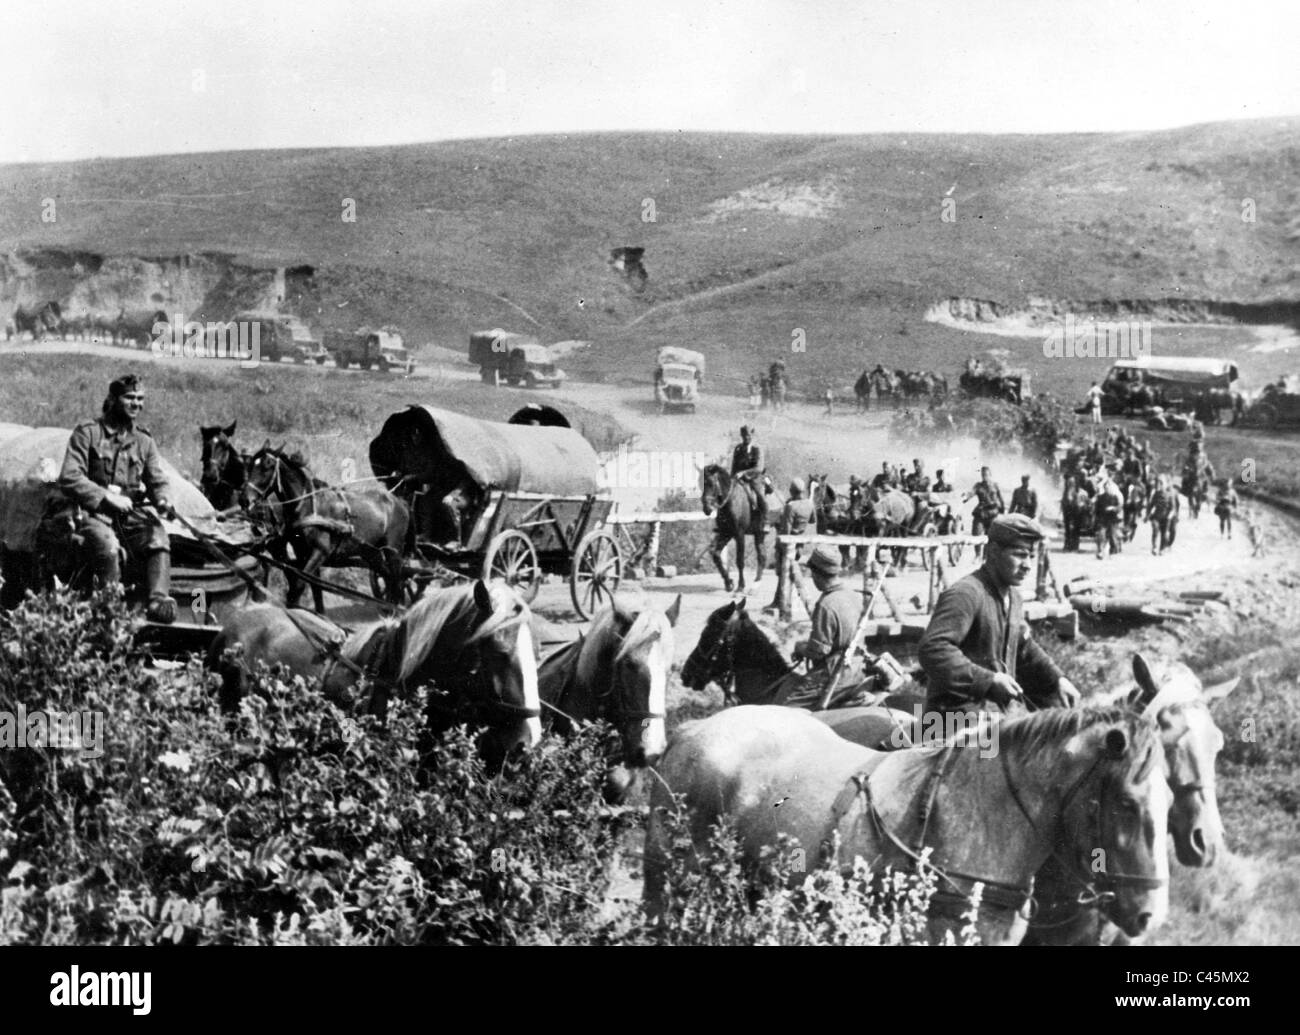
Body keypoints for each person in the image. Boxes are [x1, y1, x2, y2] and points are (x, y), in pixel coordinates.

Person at [919, 514, 1080, 718]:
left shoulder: (1013, 597)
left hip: (995, 718)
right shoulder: (966, 594)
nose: (1028, 565)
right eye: (1020, 555)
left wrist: (1058, 679)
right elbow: (933, 649)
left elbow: (1023, 646)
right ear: (994, 552)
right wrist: (988, 680)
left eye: (1031, 556)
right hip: (952, 722)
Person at [56, 373, 177, 623]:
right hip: (90, 515)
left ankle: (158, 600)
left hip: (127, 517)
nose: (136, 404)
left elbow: (157, 479)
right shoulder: (88, 433)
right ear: (113, 399)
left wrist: (163, 500)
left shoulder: (144, 441)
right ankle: (108, 608)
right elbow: (69, 476)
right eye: (129, 398)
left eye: (140, 399)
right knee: (108, 547)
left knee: (157, 535)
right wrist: (105, 497)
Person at [773, 544, 868, 709]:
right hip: (857, 666)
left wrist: (801, 648)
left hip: (835, 673)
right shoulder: (853, 595)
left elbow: (819, 652)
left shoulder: (826, 604)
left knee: (785, 708)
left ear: (817, 573)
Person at [765, 478, 817, 619]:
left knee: (785, 573)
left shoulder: (791, 506)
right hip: (800, 545)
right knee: (786, 574)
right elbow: (812, 520)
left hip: (788, 545)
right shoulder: (809, 504)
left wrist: (778, 546)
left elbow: (786, 530)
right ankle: (778, 602)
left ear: (792, 491)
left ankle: (783, 606)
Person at [730, 424, 768, 526]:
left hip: (754, 478)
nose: (746, 437)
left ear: (752, 435)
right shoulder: (738, 448)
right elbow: (734, 466)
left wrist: (743, 473)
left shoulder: (757, 449)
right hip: (739, 480)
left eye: (748, 435)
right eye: (744, 435)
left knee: (760, 495)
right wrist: (731, 478)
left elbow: (759, 468)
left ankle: (764, 521)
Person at [965, 466, 1005, 541]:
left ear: (990, 475)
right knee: (976, 536)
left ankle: (988, 552)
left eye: (986, 475)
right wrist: (965, 497)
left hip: (993, 513)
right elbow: (971, 493)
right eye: (983, 475)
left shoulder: (995, 485)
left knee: (992, 538)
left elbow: (1001, 499)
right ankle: (978, 553)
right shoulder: (978, 485)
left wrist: (1002, 512)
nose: (984, 477)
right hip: (981, 513)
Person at [1093, 474, 1124, 559]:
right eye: (1105, 487)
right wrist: (1096, 519)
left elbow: (1119, 507)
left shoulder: (1115, 497)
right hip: (1103, 519)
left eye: (1108, 487)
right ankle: (1100, 551)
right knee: (1101, 535)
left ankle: (1113, 551)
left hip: (1113, 520)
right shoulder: (1101, 497)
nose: (1107, 489)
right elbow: (1097, 509)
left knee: (1113, 536)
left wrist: (1113, 508)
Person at [1147, 474, 1179, 555]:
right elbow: (1151, 505)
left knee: (1164, 533)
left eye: (1160, 483)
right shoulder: (1156, 494)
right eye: (1157, 484)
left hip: (1166, 517)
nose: (1159, 485)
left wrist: (1170, 516)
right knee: (1155, 530)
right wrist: (1147, 515)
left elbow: (1173, 508)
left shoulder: (1170, 494)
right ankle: (1154, 547)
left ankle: (1162, 548)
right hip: (1157, 516)